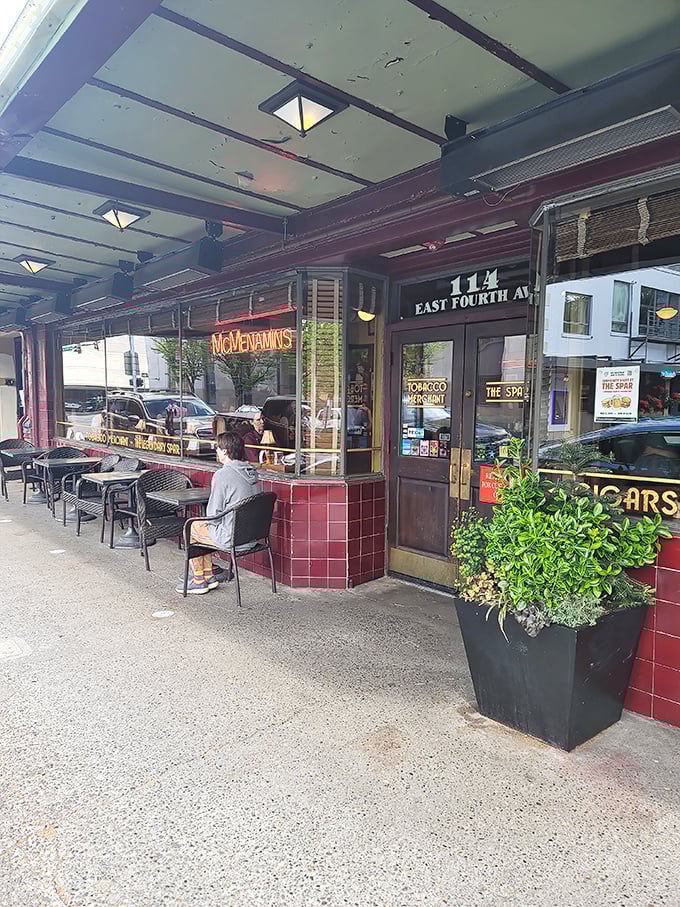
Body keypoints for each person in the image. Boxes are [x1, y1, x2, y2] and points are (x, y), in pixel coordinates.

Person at [177, 431, 259, 594]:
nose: (216, 450)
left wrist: (208, 524)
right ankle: (209, 575)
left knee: (191, 528)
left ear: (226, 450)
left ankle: (199, 579)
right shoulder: (252, 472)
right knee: (201, 527)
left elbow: (213, 512)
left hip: (232, 538)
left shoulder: (223, 475)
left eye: (218, 447)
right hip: (251, 536)